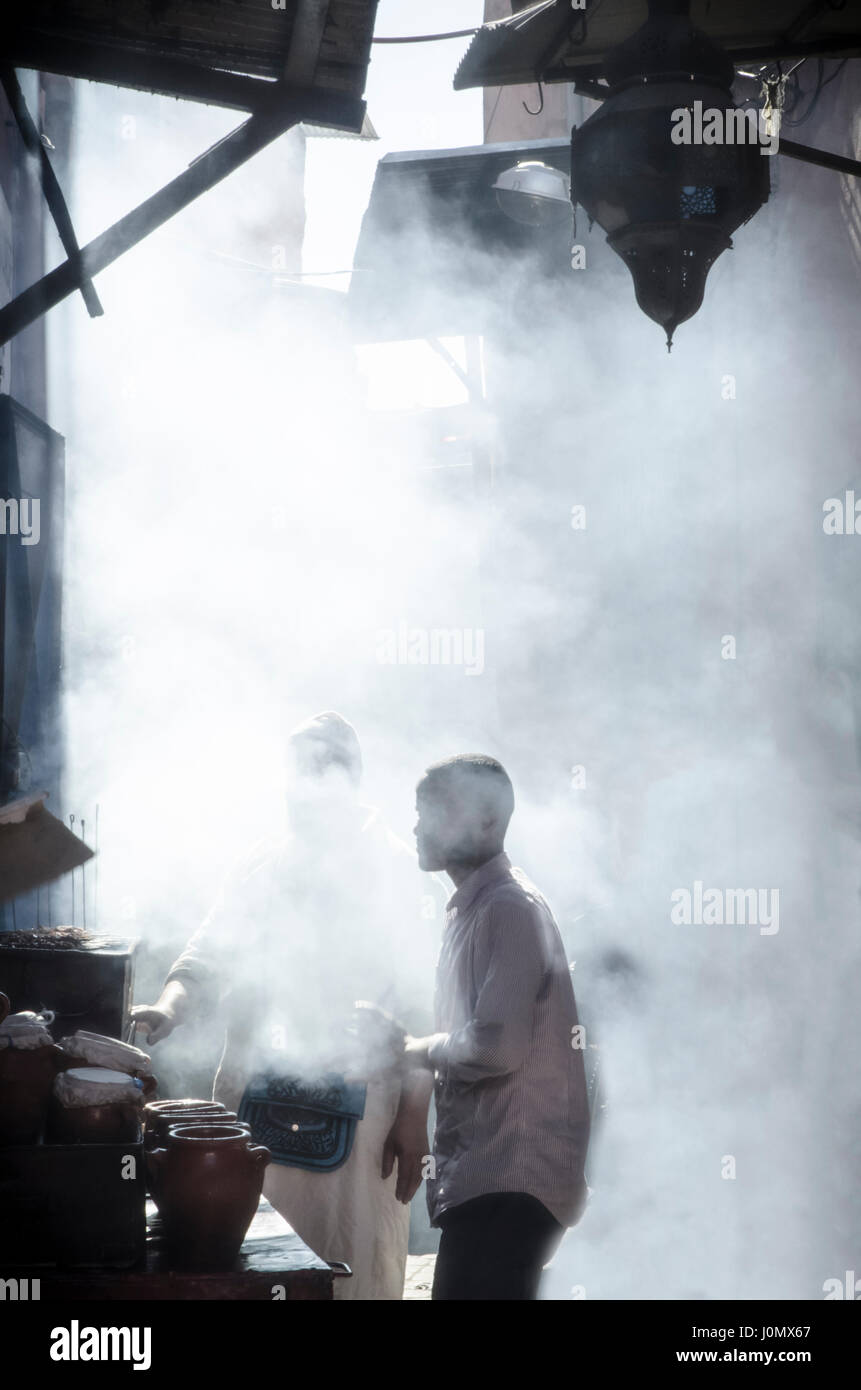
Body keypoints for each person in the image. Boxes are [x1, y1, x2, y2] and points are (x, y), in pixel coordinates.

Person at [132, 712, 436, 1300]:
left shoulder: (395, 869)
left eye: (316, 768)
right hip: (253, 1100)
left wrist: (413, 1117)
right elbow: (208, 953)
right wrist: (170, 1008)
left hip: (360, 1113)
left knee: (349, 1261)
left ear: (348, 776)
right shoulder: (261, 864)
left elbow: (427, 1005)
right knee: (251, 1260)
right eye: (294, 770)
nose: (299, 784)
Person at [404, 753, 591, 1300]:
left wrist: (419, 1048)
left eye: (434, 809)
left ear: (488, 823)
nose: (417, 824)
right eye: (417, 810)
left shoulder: (508, 906)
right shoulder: (471, 907)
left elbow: (496, 1049)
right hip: (490, 1178)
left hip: (513, 1180)